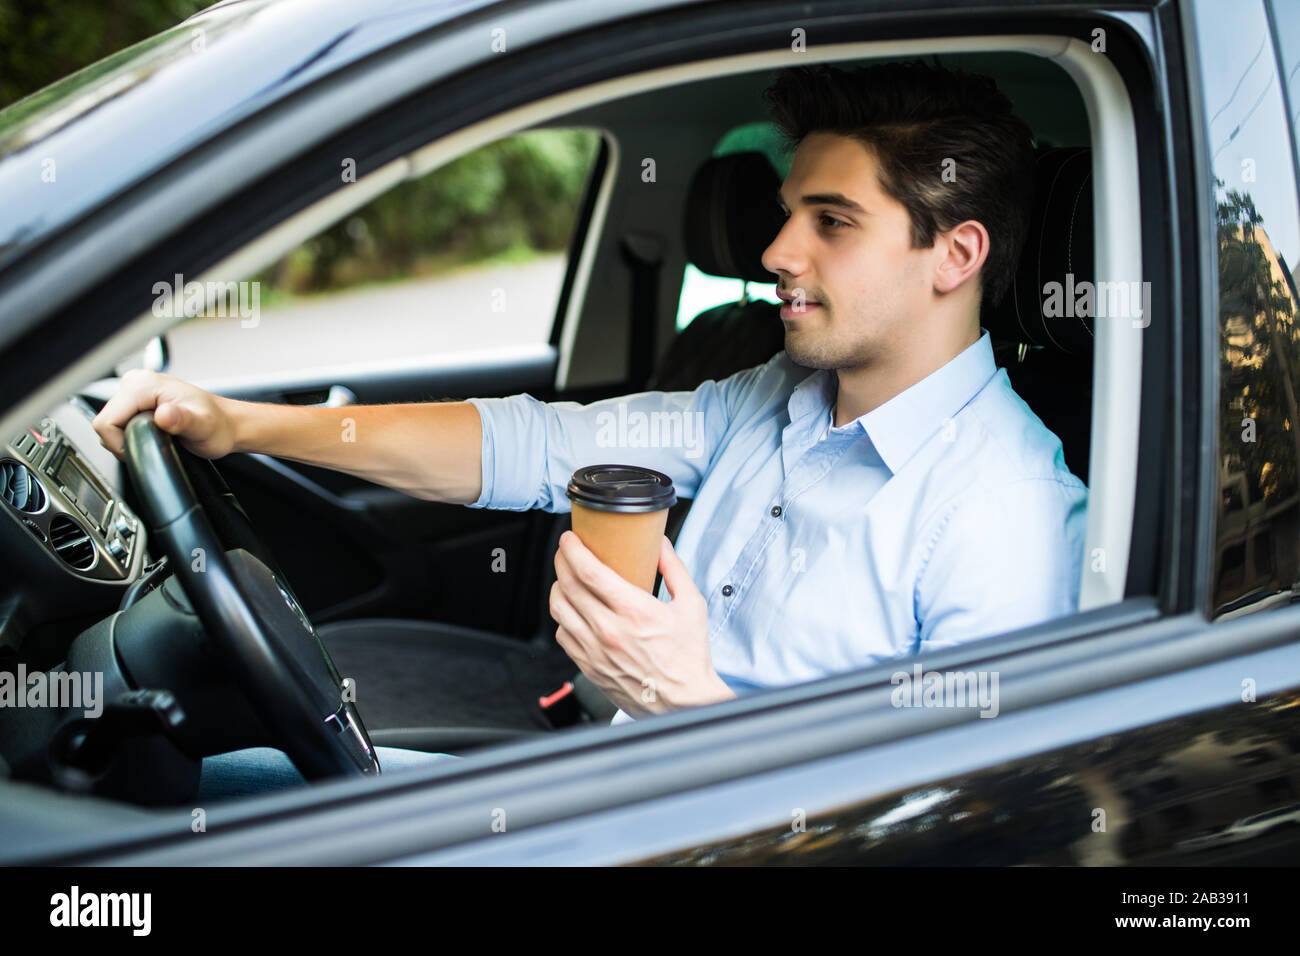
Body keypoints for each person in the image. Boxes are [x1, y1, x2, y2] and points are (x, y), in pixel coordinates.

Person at [93, 61, 1087, 797]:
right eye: (787, 211)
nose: (775, 247)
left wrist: (688, 703)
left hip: (695, 829)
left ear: (953, 254)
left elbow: (961, 819)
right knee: (195, 783)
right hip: (610, 774)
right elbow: (526, 446)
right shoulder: (765, 396)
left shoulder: (1004, 515)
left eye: (830, 221)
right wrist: (242, 422)